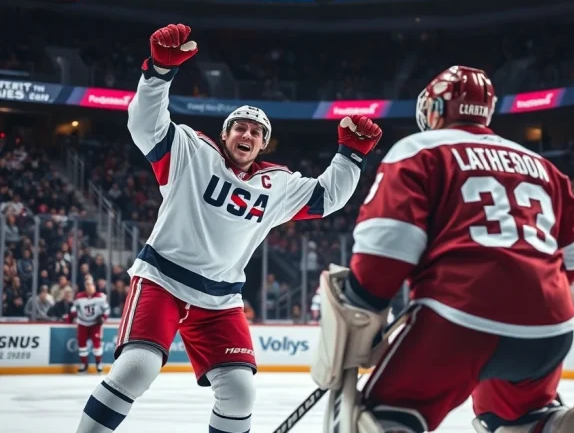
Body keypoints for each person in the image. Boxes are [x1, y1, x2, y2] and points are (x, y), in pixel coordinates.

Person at [75, 24, 382, 433]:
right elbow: (144, 125)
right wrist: (159, 73)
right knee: (136, 369)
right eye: (240, 127)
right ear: (226, 134)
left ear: (262, 145)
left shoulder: (277, 185)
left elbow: (328, 198)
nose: (248, 134)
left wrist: (350, 157)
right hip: (162, 280)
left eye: (257, 132)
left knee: (240, 390)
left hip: (219, 300)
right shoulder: (192, 151)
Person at [310, 66, 574, 433]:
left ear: (436, 108)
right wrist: (527, 289)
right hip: (550, 329)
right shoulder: (543, 167)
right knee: (519, 419)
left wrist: (362, 303)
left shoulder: (420, 148)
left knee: (376, 418)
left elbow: (384, 251)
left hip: (460, 319)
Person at [69, 276, 110, 373]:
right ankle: (84, 364)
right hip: (82, 323)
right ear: (85, 286)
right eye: (87, 285)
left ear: (94, 286)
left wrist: (103, 317)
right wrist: (74, 316)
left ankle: (98, 363)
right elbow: (73, 309)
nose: (89, 287)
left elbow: (107, 309)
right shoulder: (79, 297)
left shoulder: (101, 297)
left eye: (91, 284)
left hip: (95, 323)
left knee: (97, 343)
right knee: (82, 344)